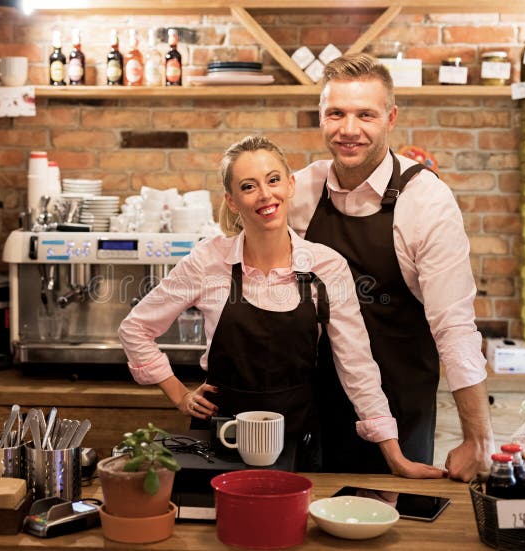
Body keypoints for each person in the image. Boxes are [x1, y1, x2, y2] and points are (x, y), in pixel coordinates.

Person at [119, 135, 444, 478]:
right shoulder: (209, 261)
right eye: (248, 186)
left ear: (290, 185)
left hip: (299, 442)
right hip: (220, 442)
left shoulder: (326, 267)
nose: (265, 194)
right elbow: (135, 328)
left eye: (273, 180)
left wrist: (395, 456)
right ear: (232, 201)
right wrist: (178, 394)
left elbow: (358, 366)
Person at [289, 53, 494, 481]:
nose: (349, 129)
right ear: (320, 117)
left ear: (391, 117)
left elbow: (453, 326)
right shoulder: (301, 189)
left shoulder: (425, 200)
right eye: (336, 113)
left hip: (398, 410)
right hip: (308, 408)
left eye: (366, 114)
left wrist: (478, 438)